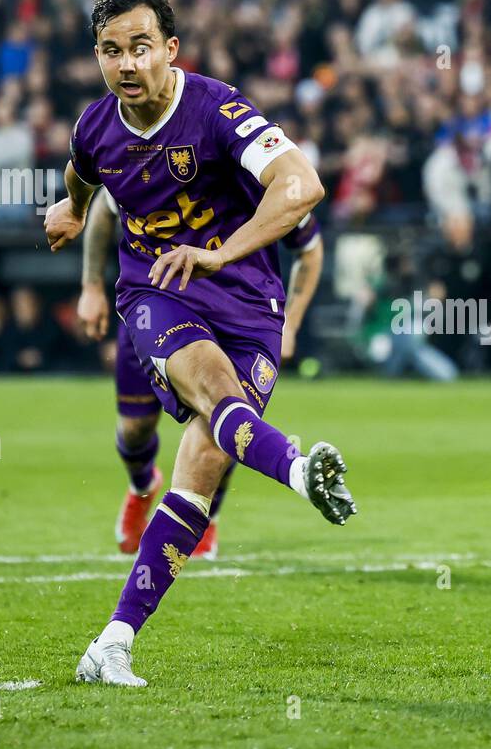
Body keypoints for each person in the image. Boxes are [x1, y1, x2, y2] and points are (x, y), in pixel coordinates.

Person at [44, 0, 355, 687]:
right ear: (98, 57)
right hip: (157, 291)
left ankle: (112, 643)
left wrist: (221, 251)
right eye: (110, 51)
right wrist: (70, 209)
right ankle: (302, 471)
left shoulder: (216, 110)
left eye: (140, 48)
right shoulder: (96, 127)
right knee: (218, 396)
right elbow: (84, 174)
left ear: (171, 49)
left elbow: (301, 185)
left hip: (249, 302)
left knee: (199, 477)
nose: (126, 64)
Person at [77, 186, 326, 560]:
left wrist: (290, 325)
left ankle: (207, 516)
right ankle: (141, 483)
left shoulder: (267, 176)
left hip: (235, 319)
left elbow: (310, 248)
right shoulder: (159, 157)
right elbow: (103, 207)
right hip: (154, 305)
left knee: (224, 417)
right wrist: (92, 285)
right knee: (134, 428)